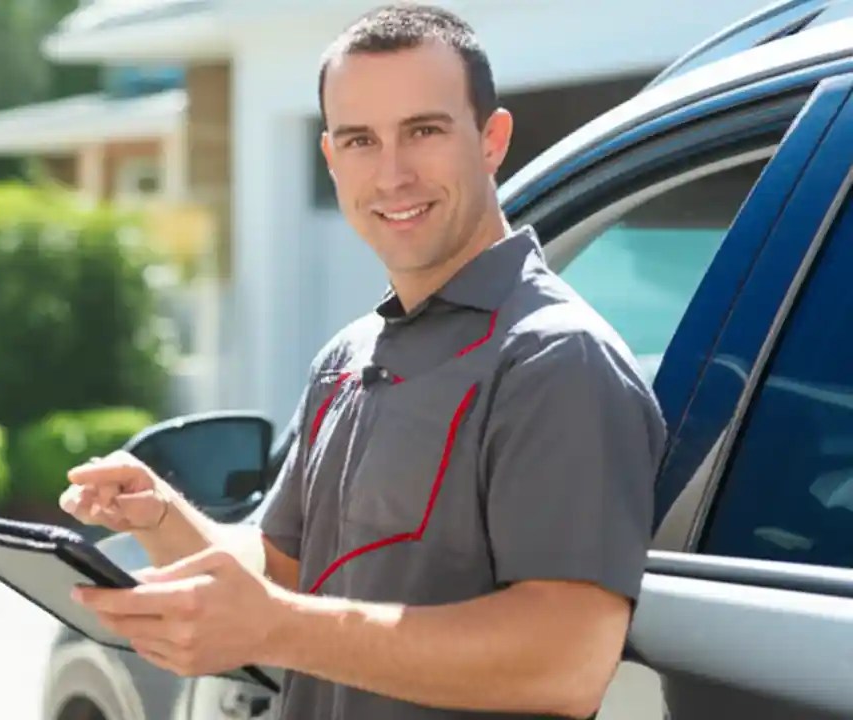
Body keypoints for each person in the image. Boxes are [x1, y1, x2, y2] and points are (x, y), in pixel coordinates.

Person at [62, 4, 667, 719]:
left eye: (424, 131)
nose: (392, 174)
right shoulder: (347, 359)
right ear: (331, 158)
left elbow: (566, 662)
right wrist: (159, 516)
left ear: (492, 139)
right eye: (360, 141)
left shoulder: (556, 360)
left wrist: (279, 627)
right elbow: (285, 575)